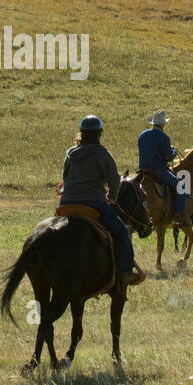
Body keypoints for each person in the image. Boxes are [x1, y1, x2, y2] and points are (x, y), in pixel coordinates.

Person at [60, 115, 146, 286]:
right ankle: (125, 271)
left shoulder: (70, 153)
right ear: (99, 134)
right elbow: (114, 180)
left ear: (81, 134)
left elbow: (64, 175)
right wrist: (112, 197)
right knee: (122, 232)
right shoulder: (103, 153)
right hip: (94, 204)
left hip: (66, 204)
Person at [138, 110, 190, 228]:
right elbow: (168, 157)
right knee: (180, 187)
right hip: (158, 171)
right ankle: (179, 216)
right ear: (163, 124)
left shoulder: (142, 135)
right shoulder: (163, 137)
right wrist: (174, 152)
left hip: (142, 171)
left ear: (153, 123)